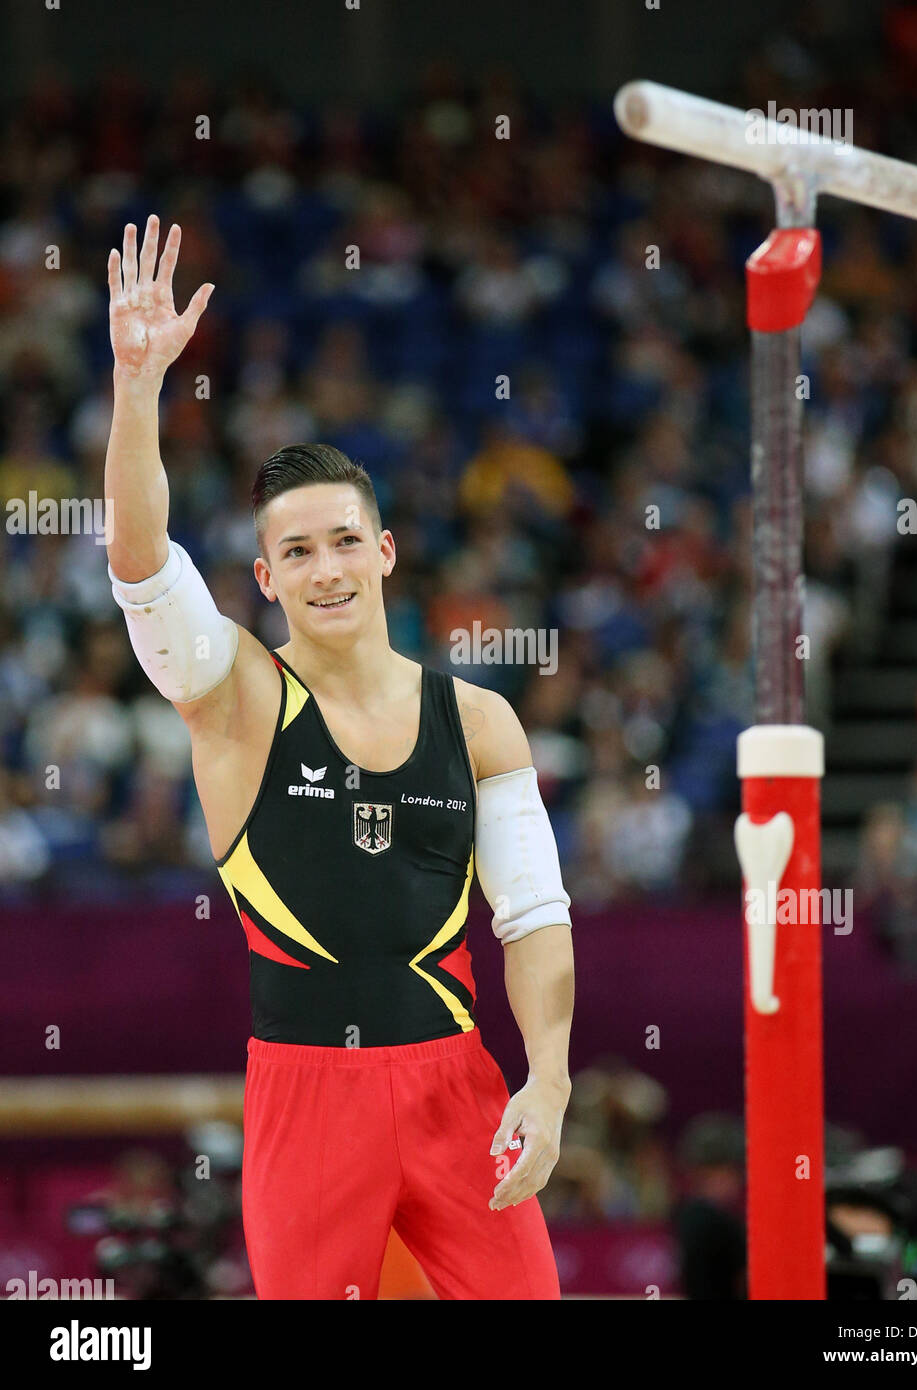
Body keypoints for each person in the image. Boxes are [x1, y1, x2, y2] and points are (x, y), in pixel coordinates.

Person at [103, 215, 575, 1300]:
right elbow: (140, 568)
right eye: (297, 551)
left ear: (387, 551)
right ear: (265, 579)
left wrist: (545, 1083)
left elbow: (537, 919)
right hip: (309, 1099)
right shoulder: (237, 700)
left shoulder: (482, 721)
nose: (327, 569)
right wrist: (138, 391)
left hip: (460, 1086)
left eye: (344, 541)